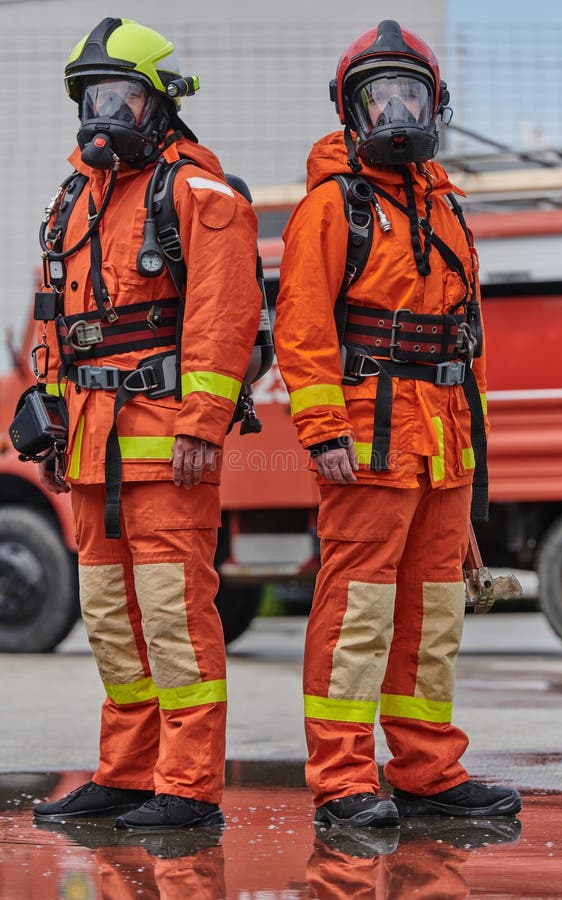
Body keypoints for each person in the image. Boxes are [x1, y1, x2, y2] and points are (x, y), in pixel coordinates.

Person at [274, 20, 521, 827]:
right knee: (357, 614)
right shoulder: (331, 208)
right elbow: (301, 329)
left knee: (432, 618)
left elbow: (468, 343)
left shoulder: (445, 210)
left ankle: (427, 769)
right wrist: (322, 432)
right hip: (371, 446)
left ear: (435, 103)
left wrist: (476, 463)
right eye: (379, 96)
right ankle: (343, 780)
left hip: (442, 448)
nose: (396, 110)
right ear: (352, 111)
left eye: (409, 93)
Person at [31, 17, 262, 830]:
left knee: (173, 616)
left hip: (169, 450)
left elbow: (225, 317)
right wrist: (51, 424)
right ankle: (126, 772)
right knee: (108, 615)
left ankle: (189, 787)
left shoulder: (200, 196)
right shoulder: (73, 200)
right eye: (93, 97)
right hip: (90, 448)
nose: (105, 113)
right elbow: (52, 319)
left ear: (161, 104)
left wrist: (202, 422)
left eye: (122, 95)